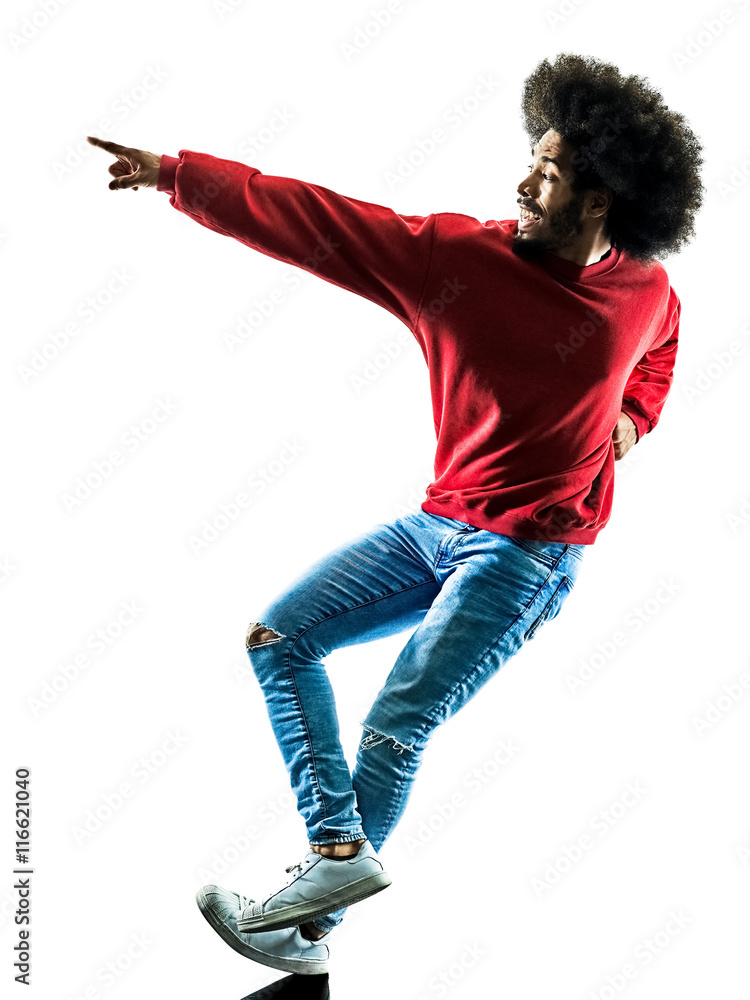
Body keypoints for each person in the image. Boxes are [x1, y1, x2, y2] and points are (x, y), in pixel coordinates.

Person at [87, 52, 704, 979]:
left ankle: (303, 920)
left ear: (600, 200)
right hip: (437, 525)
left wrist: (633, 418)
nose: (522, 180)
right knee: (277, 638)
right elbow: (319, 222)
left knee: (394, 726)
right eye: (529, 159)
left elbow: (658, 347)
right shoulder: (455, 259)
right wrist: (179, 174)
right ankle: (332, 871)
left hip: (527, 558)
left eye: (549, 168)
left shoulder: (643, 289)